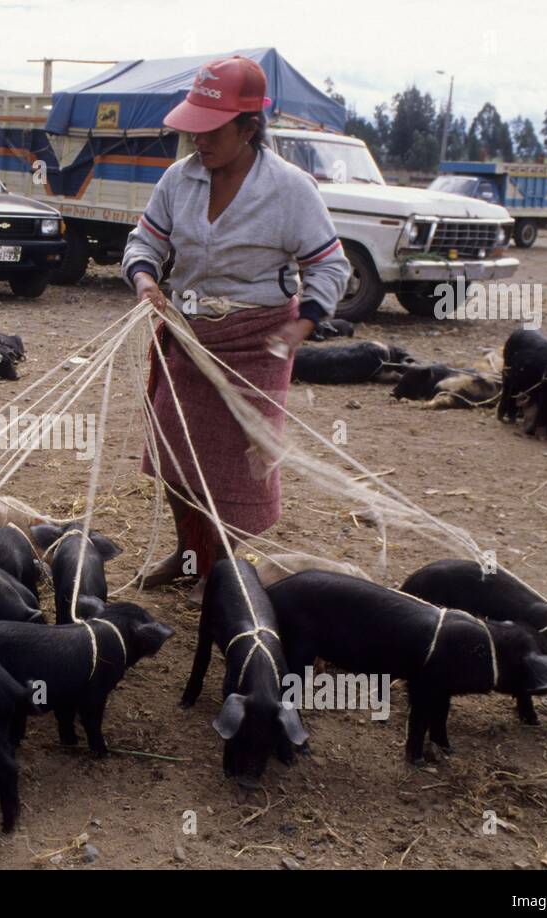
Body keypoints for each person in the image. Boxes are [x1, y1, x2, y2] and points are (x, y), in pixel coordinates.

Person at [123, 56, 351, 604]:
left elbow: (330, 265)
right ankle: (188, 555)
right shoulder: (179, 180)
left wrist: (304, 323)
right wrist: (146, 281)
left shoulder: (290, 190)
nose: (197, 141)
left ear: (249, 128)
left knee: (239, 466)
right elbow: (143, 243)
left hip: (258, 341)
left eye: (211, 130)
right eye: (192, 129)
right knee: (178, 452)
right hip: (189, 334)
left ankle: (220, 573)